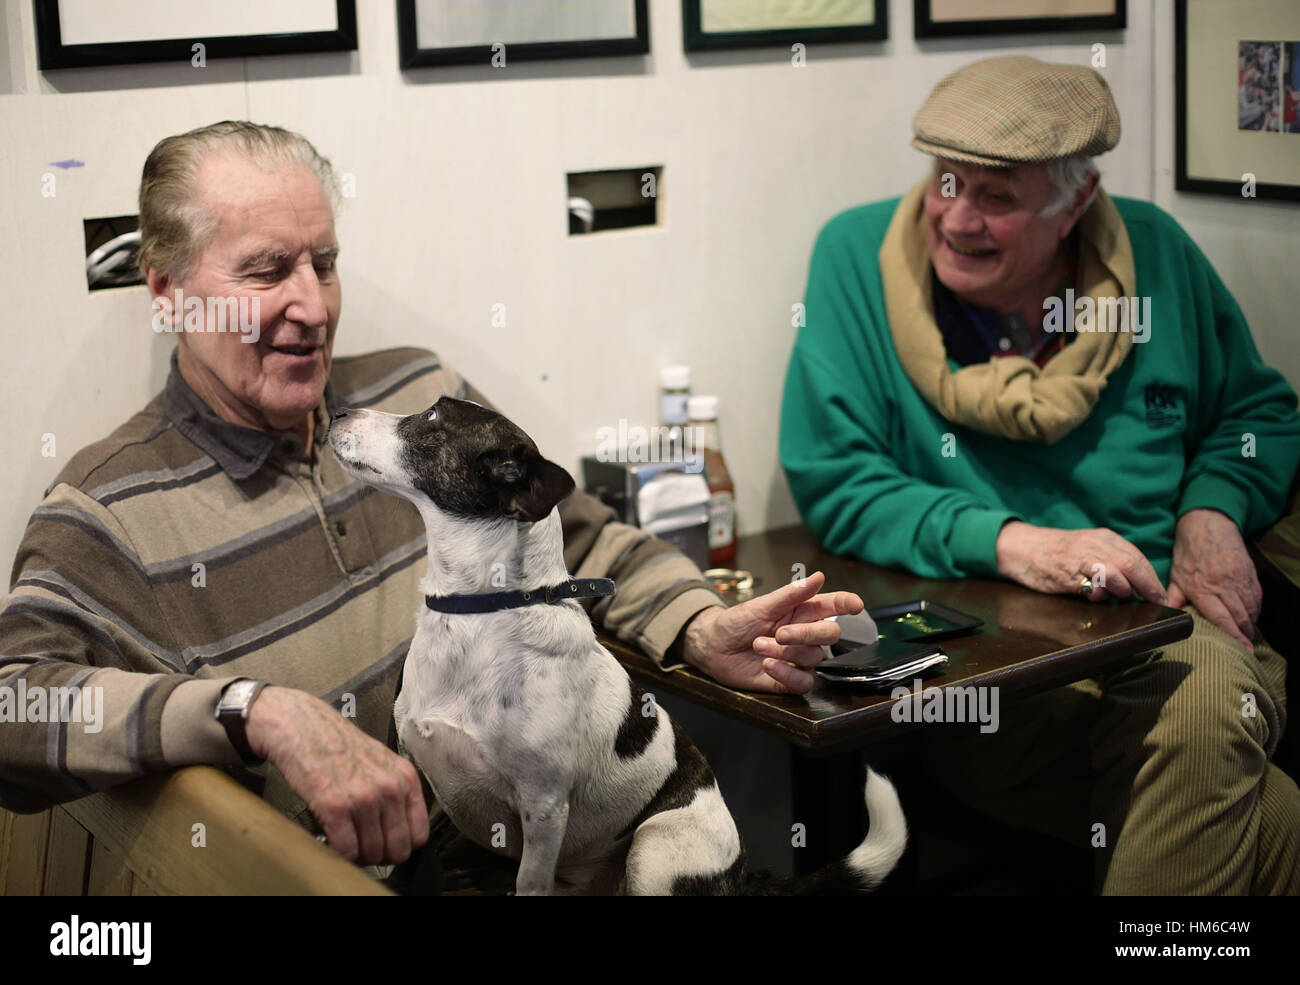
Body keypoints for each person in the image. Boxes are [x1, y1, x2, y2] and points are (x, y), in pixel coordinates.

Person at [0, 121, 863, 868]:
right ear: (166, 291)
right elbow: (12, 705)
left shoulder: (419, 394)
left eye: (325, 262)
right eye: (266, 271)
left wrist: (697, 622)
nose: (311, 305)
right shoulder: (110, 506)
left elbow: (578, 537)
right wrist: (251, 709)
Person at [780, 55, 1300, 894]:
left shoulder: (1155, 256)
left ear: (1076, 205)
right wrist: (1014, 541)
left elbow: (1259, 413)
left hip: (1164, 624)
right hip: (1001, 680)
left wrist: (1214, 508)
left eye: (998, 197)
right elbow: (839, 478)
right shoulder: (858, 260)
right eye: (947, 182)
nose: (956, 219)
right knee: (1267, 813)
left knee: (1206, 711)